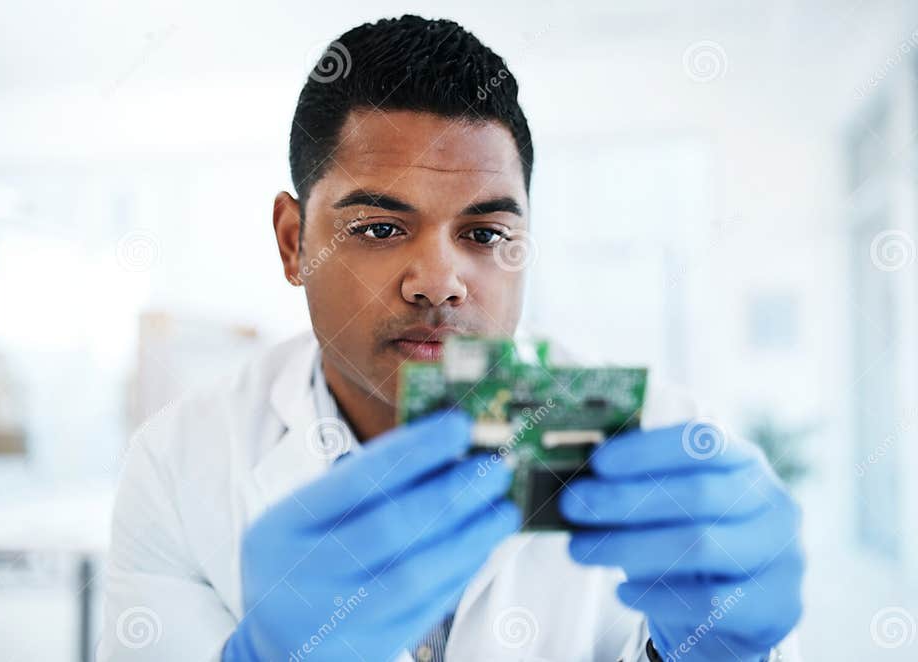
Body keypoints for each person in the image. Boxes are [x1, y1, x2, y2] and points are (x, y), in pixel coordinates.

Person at [97, 14, 804, 662]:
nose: (438, 282)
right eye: (379, 228)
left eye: (486, 233)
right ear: (292, 242)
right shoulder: (175, 466)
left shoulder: (664, 446)